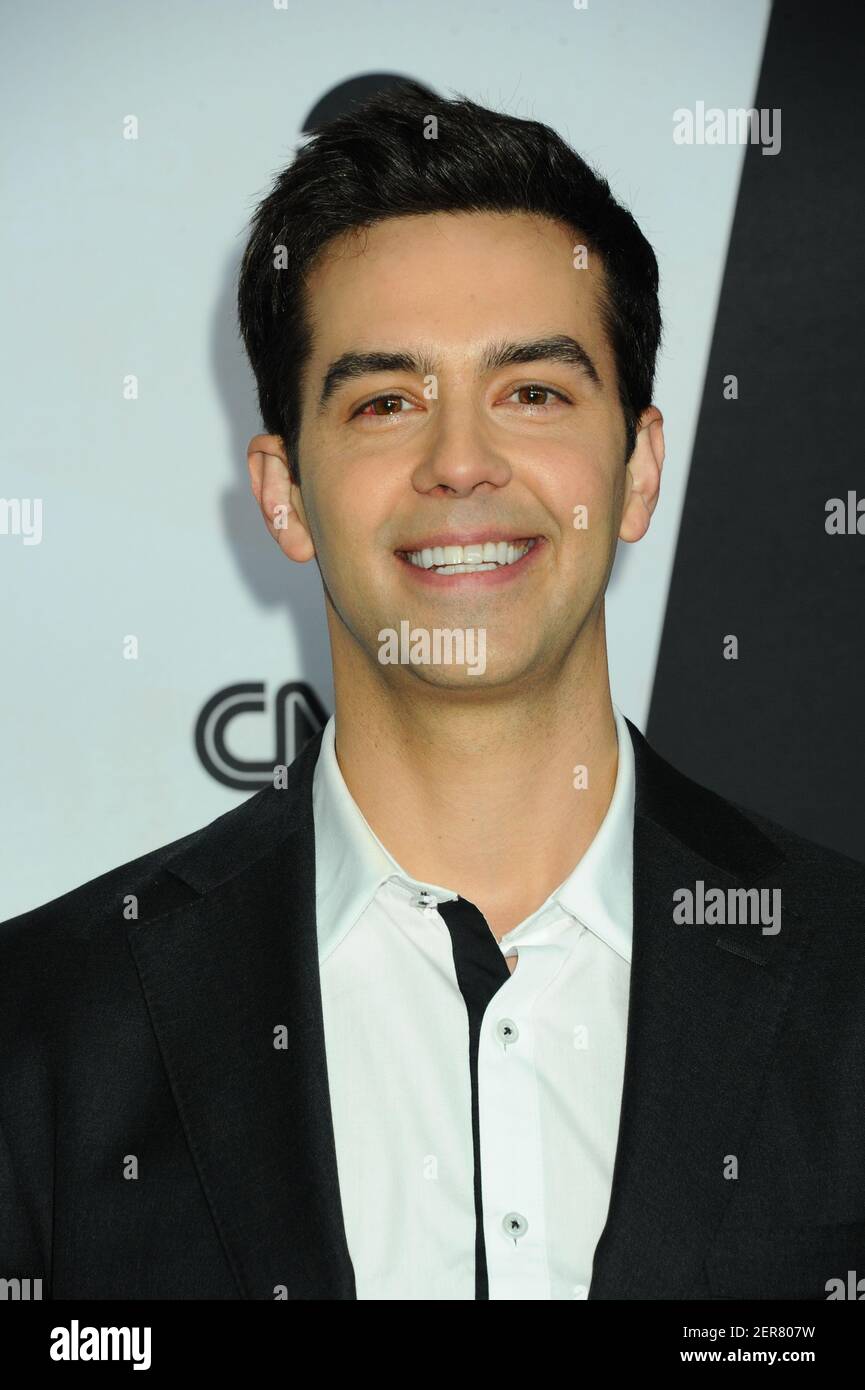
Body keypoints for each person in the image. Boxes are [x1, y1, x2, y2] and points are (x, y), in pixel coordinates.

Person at [2, 80, 863, 1302]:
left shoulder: (846, 978)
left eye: (533, 392)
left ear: (637, 468)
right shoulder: (42, 1032)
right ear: (284, 493)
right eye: (386, 401)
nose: (460, 461)